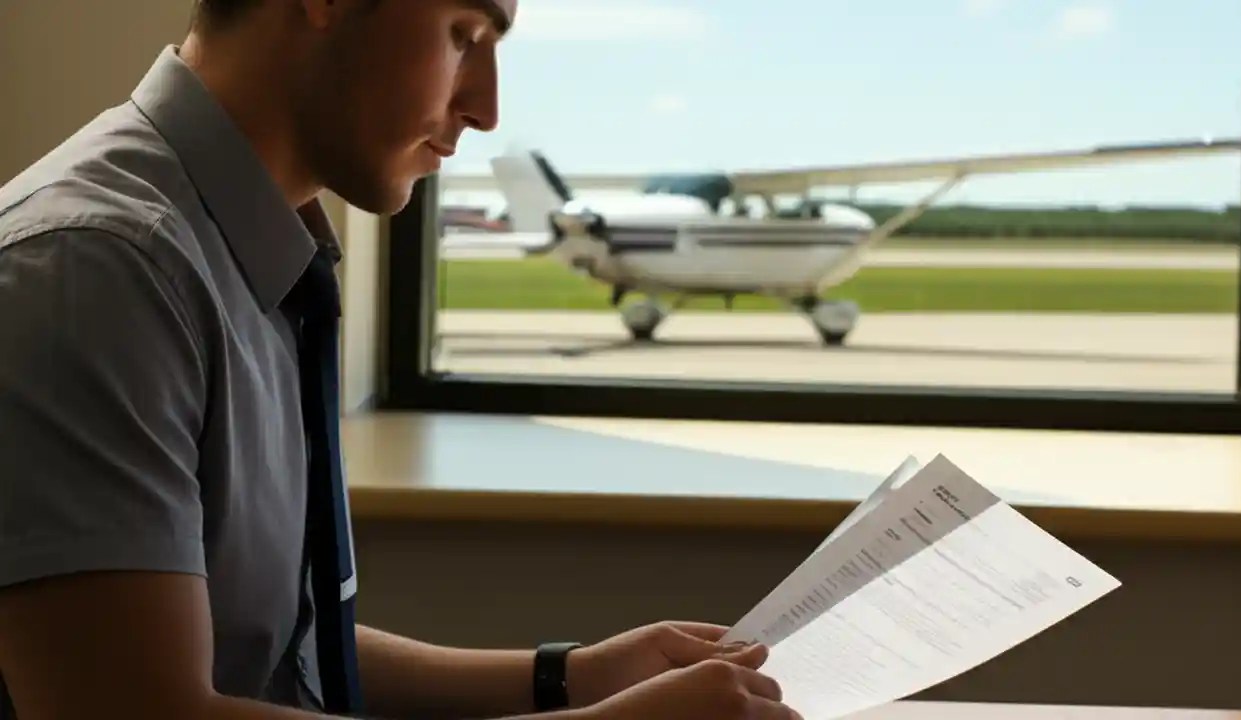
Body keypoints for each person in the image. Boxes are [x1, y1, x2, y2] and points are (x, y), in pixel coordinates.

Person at [0, 1, 802, 718]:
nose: (485, 109)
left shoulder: (243, 250)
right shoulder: (95, 272)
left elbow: (273, 649)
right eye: (464, 35)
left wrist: (569, 678)